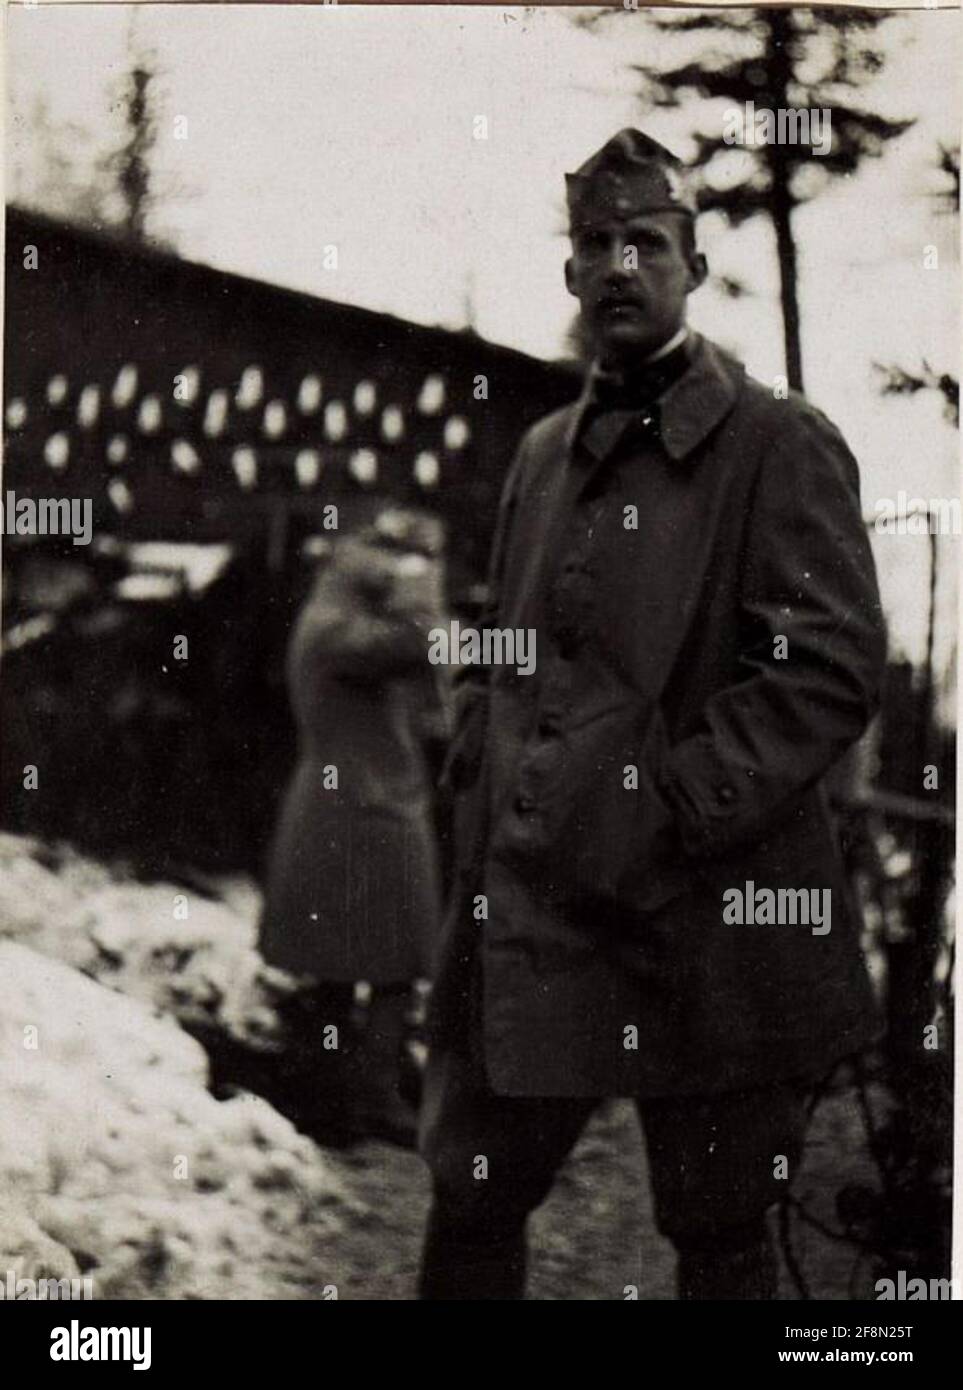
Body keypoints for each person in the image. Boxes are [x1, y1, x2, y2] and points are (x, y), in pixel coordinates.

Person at [418, 130, 887, 1298]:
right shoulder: (539, 453)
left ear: (692, 263)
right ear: (571, 273)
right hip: (536, 904)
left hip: (707, 915)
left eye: (647, 242)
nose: (620, 265)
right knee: (471, 1197)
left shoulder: (778, 444)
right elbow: (504, 629)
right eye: (595, 245)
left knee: (720, 1234)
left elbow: (827, 665)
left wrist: (672, 804)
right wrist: (480, 743)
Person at [259, 507, 447, 1147]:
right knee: (385, 965)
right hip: (364, 809)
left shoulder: (331, 621)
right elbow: (423, 637)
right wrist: (422, 581)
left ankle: (346, 1092)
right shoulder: (342, 634)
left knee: (349, 963)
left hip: (353, 804)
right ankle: (366, 1096)